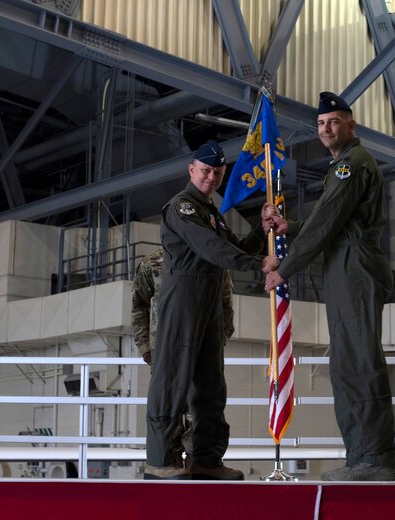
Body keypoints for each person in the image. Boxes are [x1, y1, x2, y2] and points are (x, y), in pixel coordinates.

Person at [262, 92, 395, 481]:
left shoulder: (352, 164)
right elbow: (328, 219)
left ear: (350, 125)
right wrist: (290, 228)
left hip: (355, 266)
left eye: (333, 122)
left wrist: (284, 269)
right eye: (321, 124)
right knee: (345, 363)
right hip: (344, 264)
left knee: (358, 361)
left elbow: (327, 224)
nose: (326, 129)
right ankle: (362, 456)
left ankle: (374, 459)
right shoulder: (341, 165)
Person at [145, 139, 278, 480]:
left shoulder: (210, 213)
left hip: (209, 304)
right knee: (172, 380)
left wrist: (260, 231)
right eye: (205, 171)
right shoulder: (182, 207)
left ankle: (206, 460)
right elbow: (211, 248)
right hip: (182, 302)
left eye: (217, 173)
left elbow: (231, 246)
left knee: (210, 386)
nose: (211, 178)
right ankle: (162, 460)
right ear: (192, 170)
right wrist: (259, 263)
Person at [132, 247, 236, 468]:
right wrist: (145, 345)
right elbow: (139, 304)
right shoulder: (152, 262)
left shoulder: (212, 258)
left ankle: (200, 462)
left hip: (203, 349)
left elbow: (225, 304)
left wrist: (220, 339)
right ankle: (168, 461)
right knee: (167, 403)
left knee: (203, 404)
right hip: (164, 349)